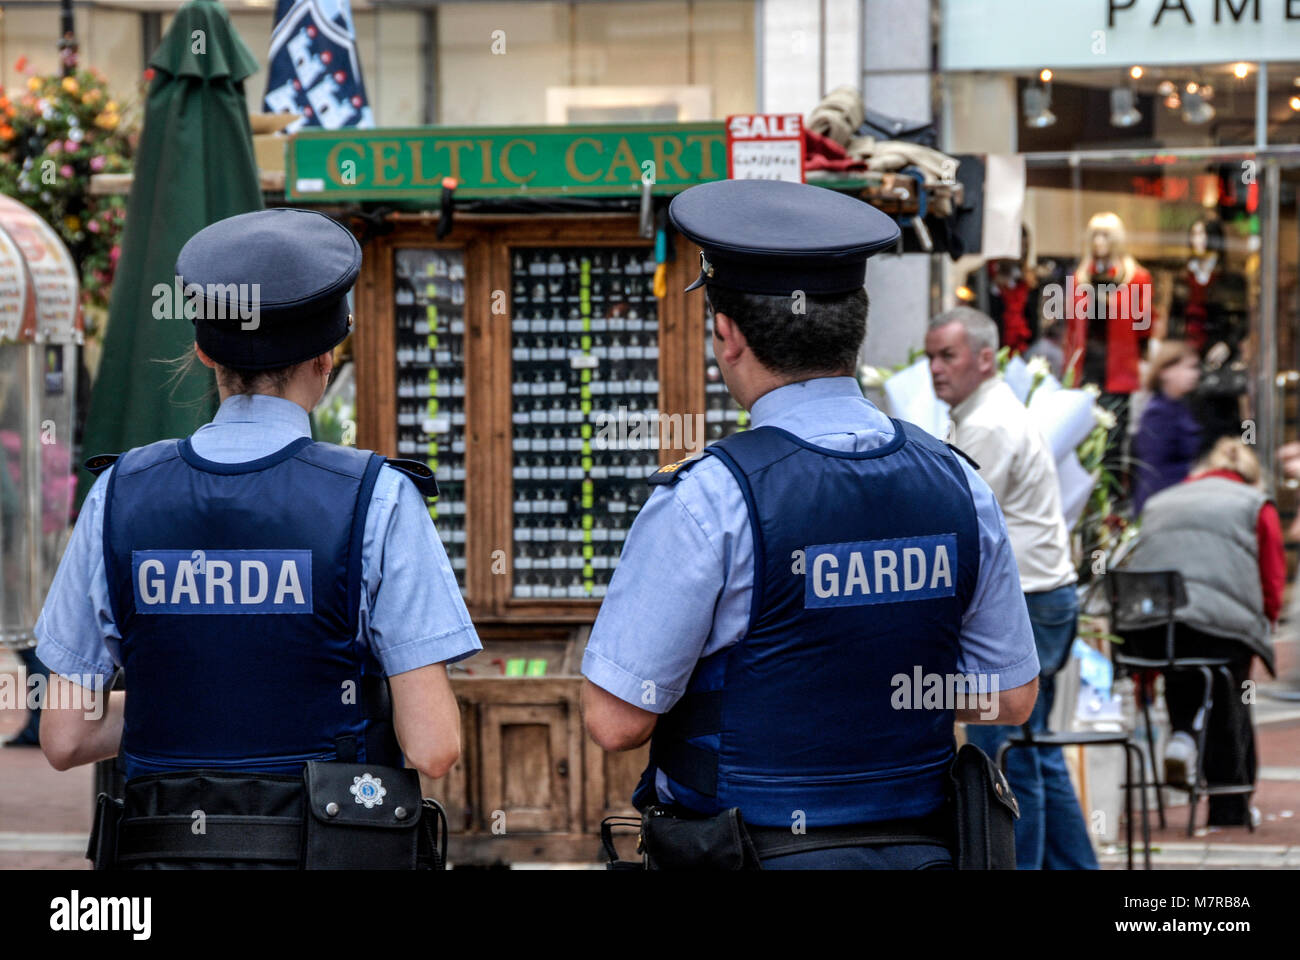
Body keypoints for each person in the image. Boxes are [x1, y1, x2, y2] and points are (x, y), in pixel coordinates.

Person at [580, 179, 1039, 870]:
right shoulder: (957, 482)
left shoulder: (709, 498)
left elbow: (616, 721)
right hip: (923, 851)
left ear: (727, 335)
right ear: (856, 325)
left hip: (752, 854)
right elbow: (1011, 695)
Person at [34, 208, 479, 866]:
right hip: (327, 849)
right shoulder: (376, 497)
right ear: (327, 356)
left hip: (160, 855)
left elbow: (66, 737)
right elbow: (433, 745)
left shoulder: (118, 493)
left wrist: (184, 697)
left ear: (205, 350)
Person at [925, 306, 1097, 871]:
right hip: (1045, 595)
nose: (934, 369)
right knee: (1036, 750)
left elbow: (960, 524)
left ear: (983, 357)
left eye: (947, 355)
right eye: (930, 357)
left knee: (1006, 755)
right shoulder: (985, 412)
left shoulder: (989, 423)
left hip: (1029, 599)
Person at [1122, 438, 1284, 828]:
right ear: (1249, 474)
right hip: (1219, 629)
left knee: (1183, 670)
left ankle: (1182, 735)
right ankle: (1230, 808)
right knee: (1229, 699)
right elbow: (1272, 577)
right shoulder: (1253, 503)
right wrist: (1264, 628)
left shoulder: (1162, 500)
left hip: (1151, 630)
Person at [1132, 340, 1202, 515]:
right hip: (1163, 505)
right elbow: (1154, 469)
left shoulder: (1181, 406)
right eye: (1188, 367)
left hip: (1178, 500)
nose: (1194, 374)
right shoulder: (1158, 412)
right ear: (1166, 372)